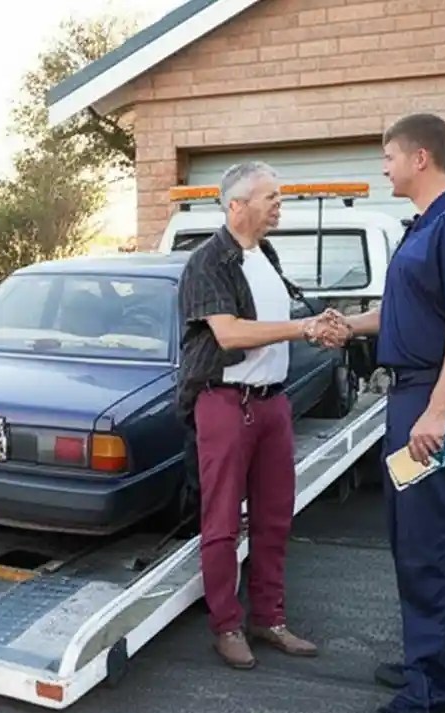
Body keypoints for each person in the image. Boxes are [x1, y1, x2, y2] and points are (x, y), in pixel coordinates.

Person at [318, 113, 445, 713]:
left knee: (432, 541)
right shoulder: (422, 227)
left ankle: (432, 686)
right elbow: (406, 314)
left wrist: (439, 411)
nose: (384, 167)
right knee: (416, 536)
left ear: (421, 158)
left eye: (389, 157)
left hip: (432, 403)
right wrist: (351, 325)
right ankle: (443, 659)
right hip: (410, 401)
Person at [176, 161, 337, 669]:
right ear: (236, 205)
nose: (278, 205)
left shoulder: (265, 254)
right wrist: (303, 329)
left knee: (274, 519)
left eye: (279, 197)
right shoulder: (207, 262)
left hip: (271, 404)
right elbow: (230, 334)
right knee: (222, 522)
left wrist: (323, 323)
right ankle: (226, 625)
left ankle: (268, 618)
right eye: (270, 197)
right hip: (225, 403)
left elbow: (278, 319)